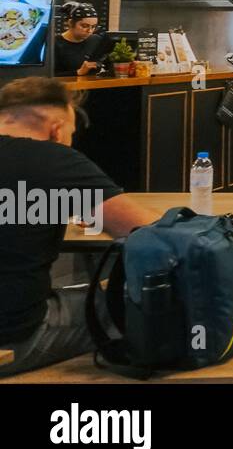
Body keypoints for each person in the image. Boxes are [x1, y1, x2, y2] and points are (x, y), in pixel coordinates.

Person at [0, 78, 157, 377]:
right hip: (13, 338)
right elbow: (146, 231)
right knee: (138, 301)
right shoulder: (53, 159)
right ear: (57, 129)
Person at [52, 3, 103, 77]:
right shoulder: (55, 44)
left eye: (93, 27)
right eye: (85, 26)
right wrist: (78, 72)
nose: (90, 31)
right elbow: (47, 75)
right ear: (70, 23)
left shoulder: (96, 40)